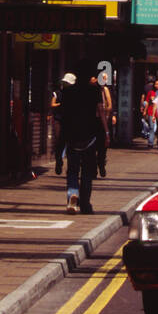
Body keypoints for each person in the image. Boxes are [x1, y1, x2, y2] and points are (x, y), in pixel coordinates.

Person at [60, 62, 105, 214]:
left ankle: (73, 194)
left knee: (72, 170)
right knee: (87, 171)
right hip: (90, 136)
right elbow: (100, 112)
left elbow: (63, 116)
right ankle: (85, 204)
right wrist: (105, 132)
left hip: (72, 136)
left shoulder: (68, 92)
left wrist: (60, 145)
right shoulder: (94, 91)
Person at [50, 74, 75, 176]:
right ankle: (58, 161)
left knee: (71, 144)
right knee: (59, 141)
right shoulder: (57, 93)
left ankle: (71, 167)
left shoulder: (74, 94)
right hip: (59, 120)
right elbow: (52, 104)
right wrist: (61, 104)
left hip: (70, 121)